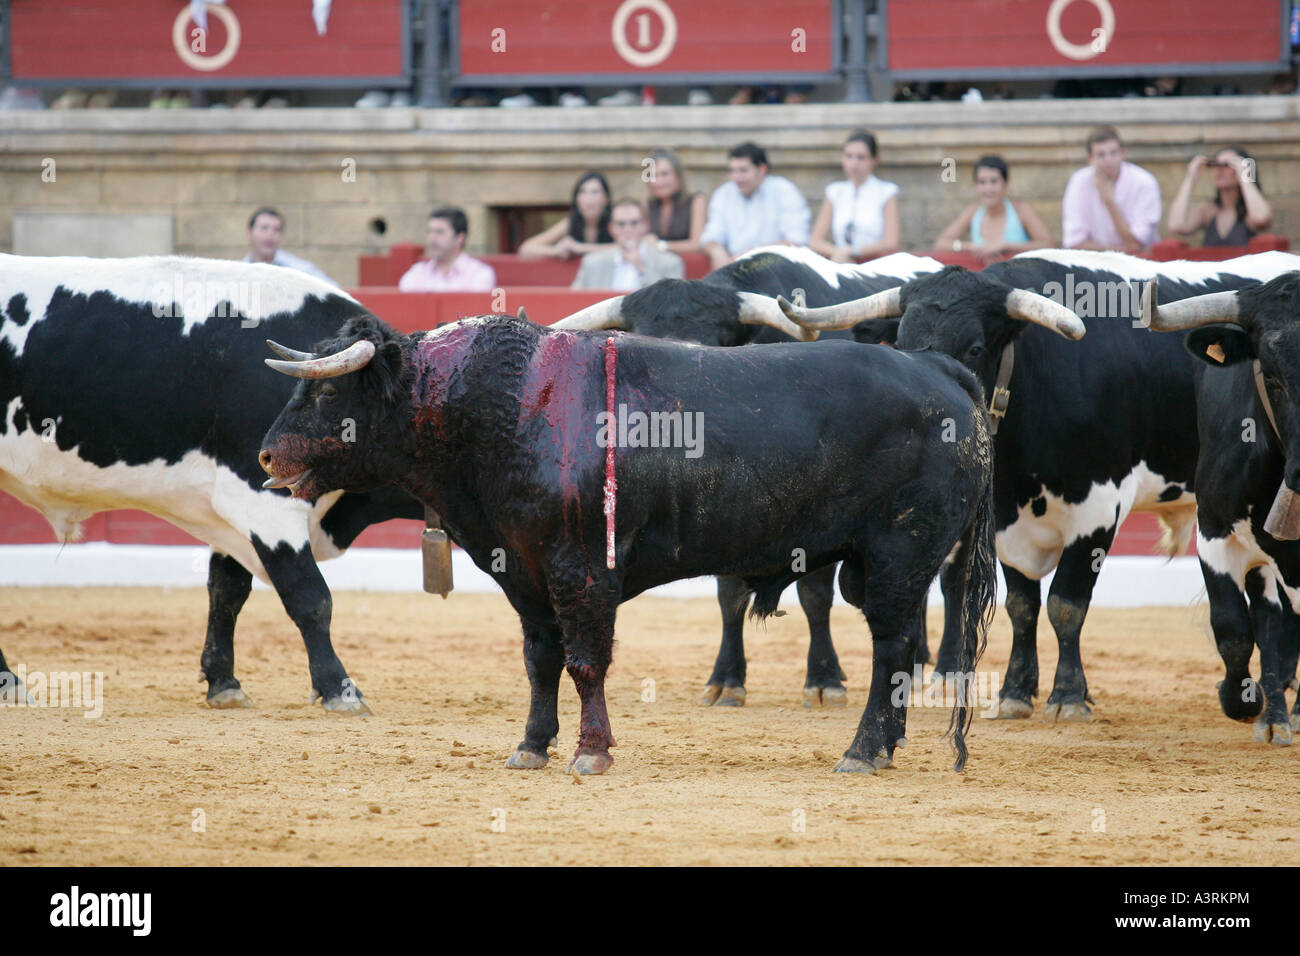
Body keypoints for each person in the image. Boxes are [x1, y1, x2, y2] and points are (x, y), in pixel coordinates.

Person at [700, 142, 810, 270]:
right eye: (733, 171)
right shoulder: (723, 193)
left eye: (743, 170)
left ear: (762, 169)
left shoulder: (785, 191)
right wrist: (716, 252)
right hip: (733, 270)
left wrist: (752, 255)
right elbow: (711, 235)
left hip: (775, 270)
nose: (736, 177)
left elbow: (796, 241)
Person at [934, 155, 1053, 263]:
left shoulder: (1021, 210)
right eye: (982, 182)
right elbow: (940, 244)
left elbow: (1048, 244)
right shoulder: (973, 212)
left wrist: (1006, 246)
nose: (988, 188)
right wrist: (971, 247)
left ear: (1006, 184)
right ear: (975, 185)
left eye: (994, 181)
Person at [1061, 126, 1161, 254]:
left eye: (1113, 153)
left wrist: (1109, 201)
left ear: (1122, 153)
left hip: (1139, 266)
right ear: (1090, 160)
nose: (1108, 160)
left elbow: (1136, 244)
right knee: (1069, 275)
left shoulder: (1144, 182)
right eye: (1101, 155)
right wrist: (1121, 251)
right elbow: (1073, 243)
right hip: (1092, 263)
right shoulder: (1078, 181)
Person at [809, 130, 900, 263]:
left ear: (874, 160)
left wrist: (854, 251)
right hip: (840, 263)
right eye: (849, 156)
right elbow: (815, 241)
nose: (854, 163)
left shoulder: (886, 191)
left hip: (875, 266)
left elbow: (891, 241)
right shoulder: (835, 191)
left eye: (861, 157)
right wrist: (838, 252)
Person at [1167, 146, 1272, 247]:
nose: (1219, 169)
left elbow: (1261, 217)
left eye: (1226, 165)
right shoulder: (1208, 211)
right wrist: (1190, 179)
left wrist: (1245, 176)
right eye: (1216, 165)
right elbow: (1176, 225)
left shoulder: (1251, 212)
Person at [571, 199, 684, 290]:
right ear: (611, 229)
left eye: (634, 223)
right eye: (621, 224)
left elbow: (674, 305)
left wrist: (642, 268)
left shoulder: (670, 263)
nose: (628, 229)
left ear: (645, 226)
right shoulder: (592, 263)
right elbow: (574, 301)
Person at [397, 206, 497, 292]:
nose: (432, 237)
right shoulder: (417, 272)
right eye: (430, 231)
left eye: (439, 232)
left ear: (459, 238)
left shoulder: (479, 274)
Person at [518, 171, 613, 259]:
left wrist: (580, 248)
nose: (588, 198)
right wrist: (556, 251)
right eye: (583, 192)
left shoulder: (615, 221)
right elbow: (526, 249)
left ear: (606, 199)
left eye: (594, 192)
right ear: (577, 199)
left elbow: (624, 248)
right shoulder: (570, 223)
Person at [243, 207, 337, 285]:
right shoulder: (240, 272)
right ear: (249, 233)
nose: (270, 234)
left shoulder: (299, 270)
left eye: (276, 230)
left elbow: (334, 289)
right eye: (264, 228)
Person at [645, 150, 707, 254]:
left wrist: (661, 245)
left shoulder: (696, 201)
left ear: (678, 176)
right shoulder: (649, 205)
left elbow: (697, 244)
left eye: (664, 174)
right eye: (653, 176)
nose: (659, 181)